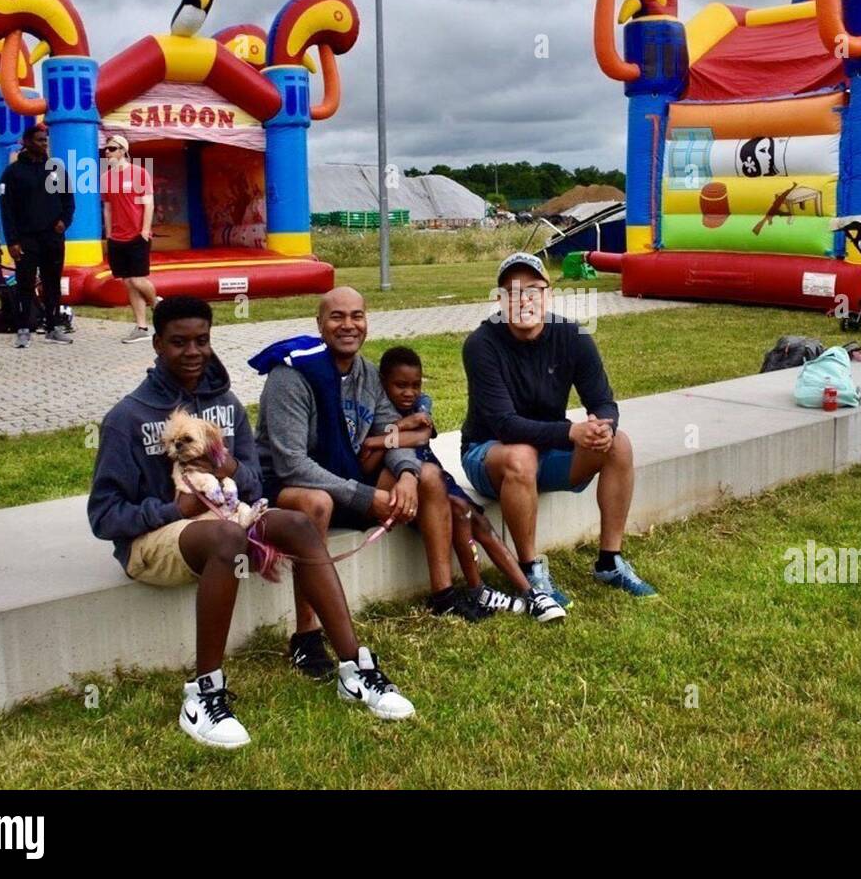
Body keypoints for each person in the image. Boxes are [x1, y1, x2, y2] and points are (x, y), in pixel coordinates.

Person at [88, 295, 415, 748]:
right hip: (153, 540)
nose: (193, 352)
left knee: (299, 524)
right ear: (158, 345)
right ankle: (203, 693)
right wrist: (175, 510)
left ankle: (355, 668)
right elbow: (104, 516)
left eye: (202, 340)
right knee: (227, 536)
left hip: (225, 513)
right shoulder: (128, 418)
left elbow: (255, 482)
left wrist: (226, 472)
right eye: (179, 342)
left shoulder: (226, 404)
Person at [252, 286, 494, 643]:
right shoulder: (290, 376)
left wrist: (408, 474)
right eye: (337, 317)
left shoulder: (366, 373)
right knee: (316, 503)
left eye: (357, 316)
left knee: (428, 475)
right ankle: (308, 633)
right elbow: (292, 465)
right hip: (292, 492)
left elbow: (390, 433)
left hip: (347, 481)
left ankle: (443, 595)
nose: (348, 325)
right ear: (319, 324)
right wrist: (367, 497)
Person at [461, 252, 657, 606]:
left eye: (533, 289)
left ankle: (610, 561)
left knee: (620, 444)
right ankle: (530, 572)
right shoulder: (481, 344)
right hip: (489, 453)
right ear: (499, 299)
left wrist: (602, 426)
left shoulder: (573, 337)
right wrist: (570, 434)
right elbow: (505, 425)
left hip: (547, 452)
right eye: (513, 291)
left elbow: (603, 401)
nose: (524, 300)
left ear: (548, 294)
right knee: (521, 456)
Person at [370, 345, 566, 623]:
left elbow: (422, 436)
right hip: (420, 486)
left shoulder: (420, 404)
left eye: (414, 385)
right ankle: (479, 590)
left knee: (480, 522)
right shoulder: (381, 410)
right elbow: (403, 440)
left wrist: (383, 438)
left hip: (437, 475)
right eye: (400, 385)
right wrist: (399, 429)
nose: (409, 392)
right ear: (382, 382)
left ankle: (529, 592)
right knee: (462, 511)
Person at [0, 124, 73, 347]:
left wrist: (63, 223)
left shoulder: (56, 169)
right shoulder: (12, 173)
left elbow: (69, 201)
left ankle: (53, 327)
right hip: (25, 240)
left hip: (52, 238)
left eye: (46, 140)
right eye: (40, 140)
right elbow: (7, 209)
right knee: (25, 284)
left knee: (52, 283)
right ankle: (23, 329)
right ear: (27, 142)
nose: (44, 144)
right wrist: (12, 240)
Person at [100, 133, 157, 343]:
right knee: (128, 283)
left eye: (112, 148)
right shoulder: (105, 177)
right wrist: (108, 233)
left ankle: (157, 305)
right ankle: (142, 327)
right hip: (117, 237)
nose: (107, 152)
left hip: (137, 235)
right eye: (106, 149)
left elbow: (148, 204)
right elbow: (107, 207)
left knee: (137, 279)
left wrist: (144, 230)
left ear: (123, 151)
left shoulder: (140, 173)